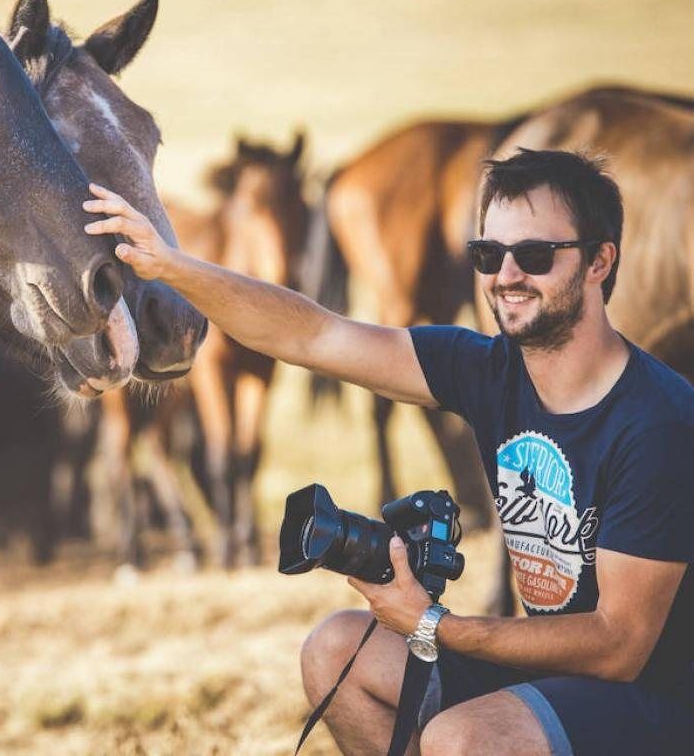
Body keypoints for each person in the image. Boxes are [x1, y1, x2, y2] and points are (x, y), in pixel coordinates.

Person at [83, 148, 694, 755]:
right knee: (336, 650)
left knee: (460, 738)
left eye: (534, 255)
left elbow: (619, 644)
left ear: (599, 261)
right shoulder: (489, 370)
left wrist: (437, 626)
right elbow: (312, 333)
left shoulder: (657, 420)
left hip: (656, 702)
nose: (506, 276)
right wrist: (171, 267)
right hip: (550, 677)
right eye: (488, 254)